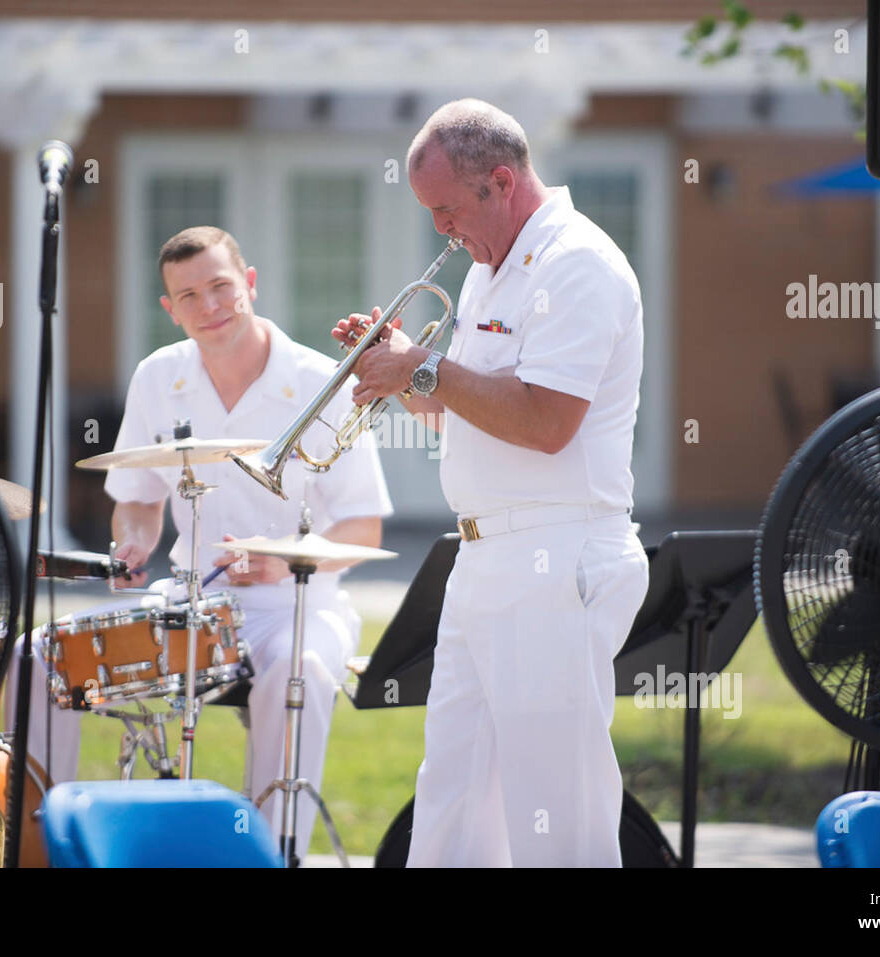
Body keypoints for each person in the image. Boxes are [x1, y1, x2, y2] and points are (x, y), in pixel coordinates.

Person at [335, 99, 649, 867]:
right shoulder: (488, 269)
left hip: (555, 551)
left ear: (500, 182)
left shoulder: (577, 262)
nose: (440, 230)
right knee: (450, 803)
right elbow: (464, 414)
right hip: (484, 557)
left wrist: (423, 368)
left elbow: (546, 423)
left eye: (444, 210)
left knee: (558, 810)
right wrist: (401, 368)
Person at [16, 226, 392, 856]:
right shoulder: (158, 377)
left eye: (221, 286)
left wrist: (275, 565)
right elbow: (138, 500)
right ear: (169, 307)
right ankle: (47, 846)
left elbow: (363, 527)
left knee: (297, 673)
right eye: (188, 296)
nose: (209, 306)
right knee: (37, 657)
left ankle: (273, 853)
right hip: (187, 600)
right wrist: (132, 544)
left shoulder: (322, 378)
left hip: (298, 604)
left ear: (249, 283)